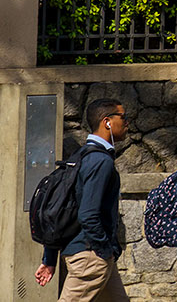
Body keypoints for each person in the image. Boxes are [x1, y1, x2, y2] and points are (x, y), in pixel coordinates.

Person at [35, 97, 130, 301]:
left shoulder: (80, 156)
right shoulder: (100, 161)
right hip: (91, 256)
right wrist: (103, 251)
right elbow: (88, 213)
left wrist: (50, 257)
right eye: (123, 117)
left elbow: (58, 208)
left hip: (90, 253)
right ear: (107, 122)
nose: (127, 123)